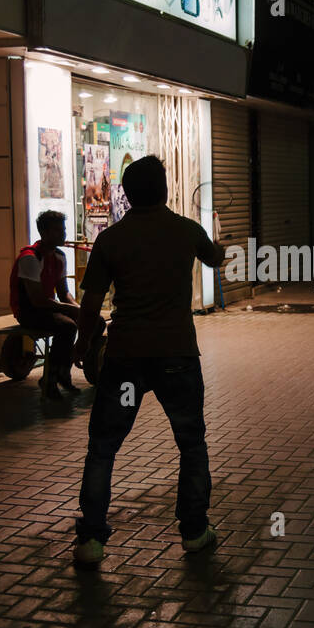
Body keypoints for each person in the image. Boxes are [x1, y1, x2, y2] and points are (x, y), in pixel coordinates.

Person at [70, 156, 228, 566]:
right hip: (177, 355)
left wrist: (83, 343)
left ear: (126, 193)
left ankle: (91, 541)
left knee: (103, 448)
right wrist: (220, 239)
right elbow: (216, 258)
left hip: (125, 360)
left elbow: (90, 302)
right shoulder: (186, 230)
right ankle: (194, 532)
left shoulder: (111, 240)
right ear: (165, 190)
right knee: (191, 444)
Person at [8, 210, 98, 397]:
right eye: (58, 230)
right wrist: (70, 310)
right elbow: (37, 300)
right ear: (44, 233)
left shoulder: (59, 256)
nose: (63, 234)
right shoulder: (30, 258)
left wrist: (78, 308)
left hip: (48, 307)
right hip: (29, 311)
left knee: (95, 321)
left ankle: (75, 365)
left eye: (63, 229)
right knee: (67, 326)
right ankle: (50, 379)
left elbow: (64, 292)